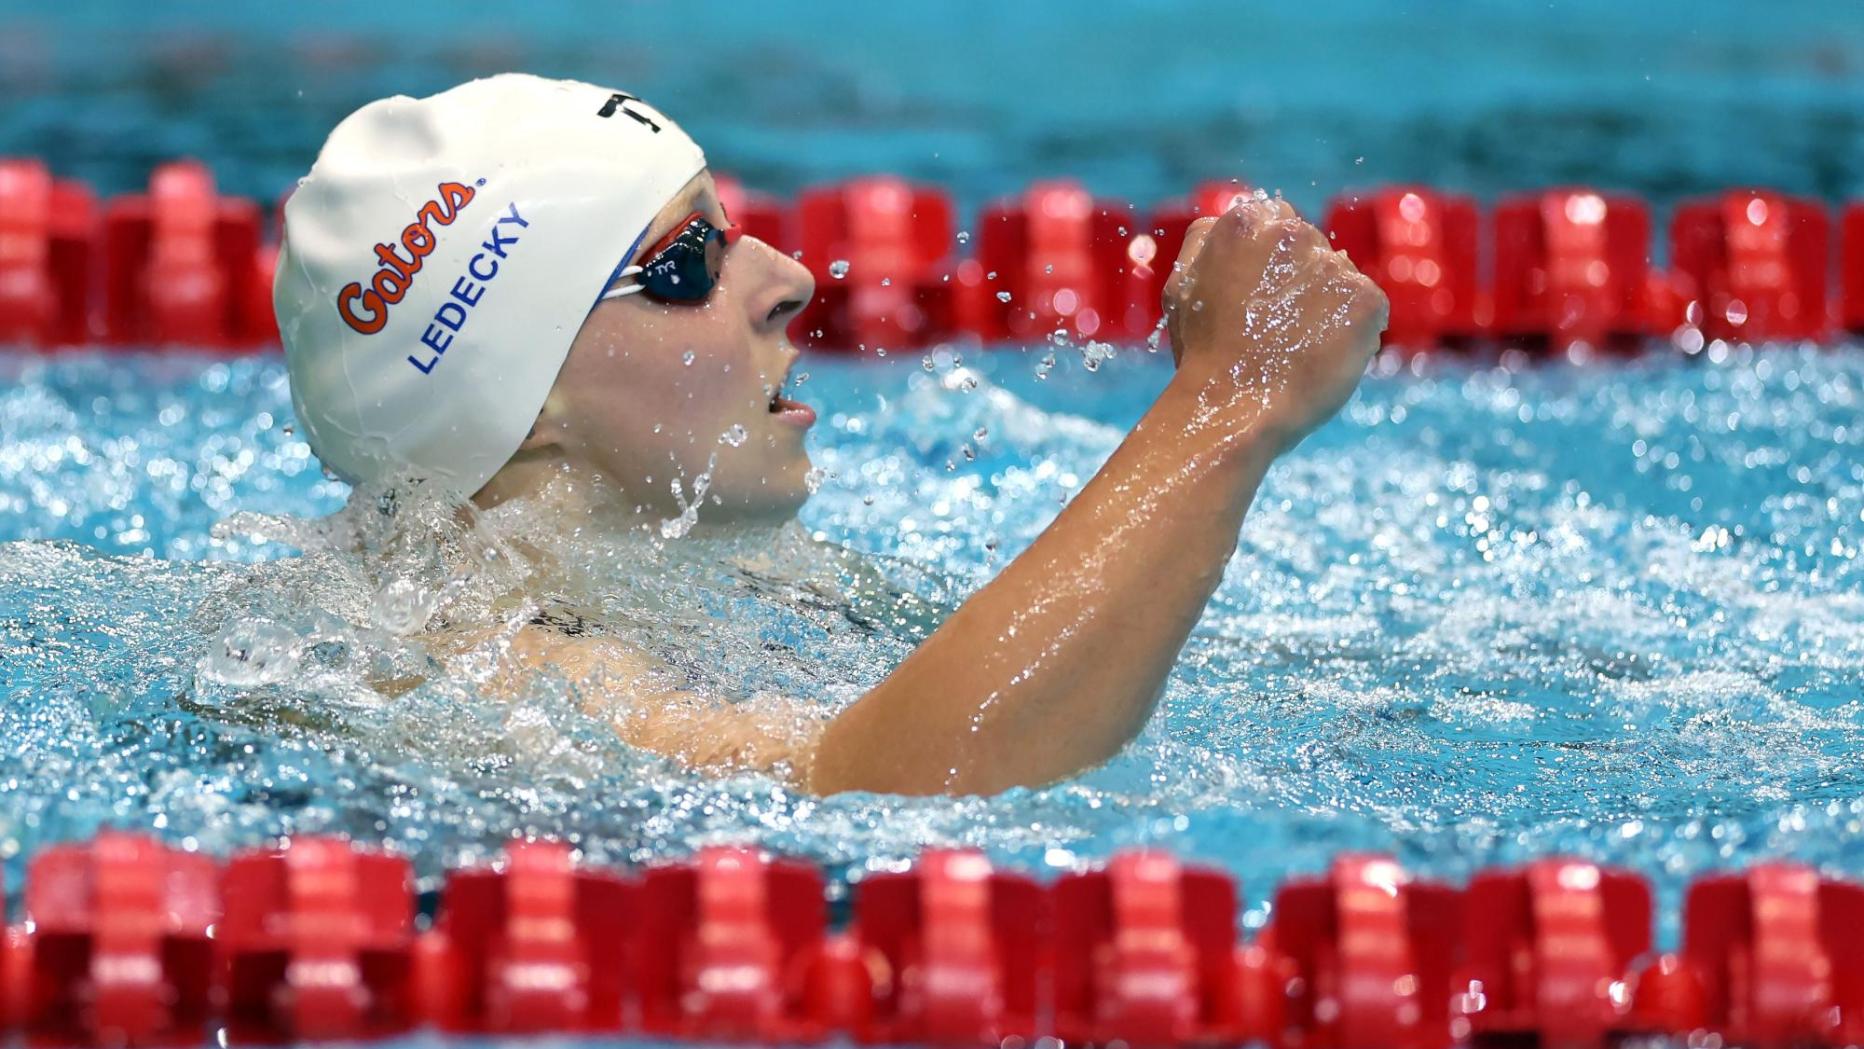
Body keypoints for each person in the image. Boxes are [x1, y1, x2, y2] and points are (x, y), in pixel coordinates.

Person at [276, 73, 1389, 797]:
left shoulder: (728, 577)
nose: (790, 278)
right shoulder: (471, 665)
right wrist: (1225, 408)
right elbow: (901, 781)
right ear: (520, 404)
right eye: (685, 266)